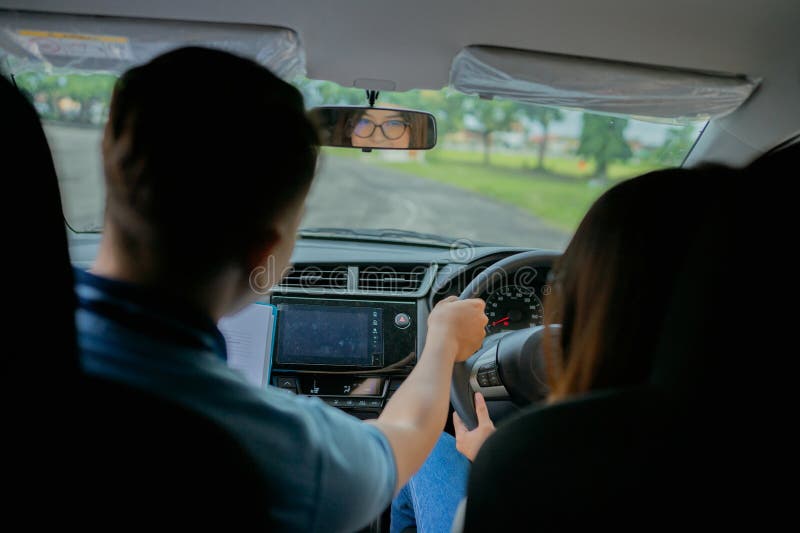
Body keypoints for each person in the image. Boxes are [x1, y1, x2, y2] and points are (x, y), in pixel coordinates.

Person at [76, 46, 488, 532]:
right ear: (265, 256)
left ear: (111, 167)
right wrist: (441, 341)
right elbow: (403, 438)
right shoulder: (289, 455)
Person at [390, 164, 738, 533]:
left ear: (589, 297)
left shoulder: (540, 456)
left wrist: (491, 452)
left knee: (426, 451)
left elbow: (392, 441)